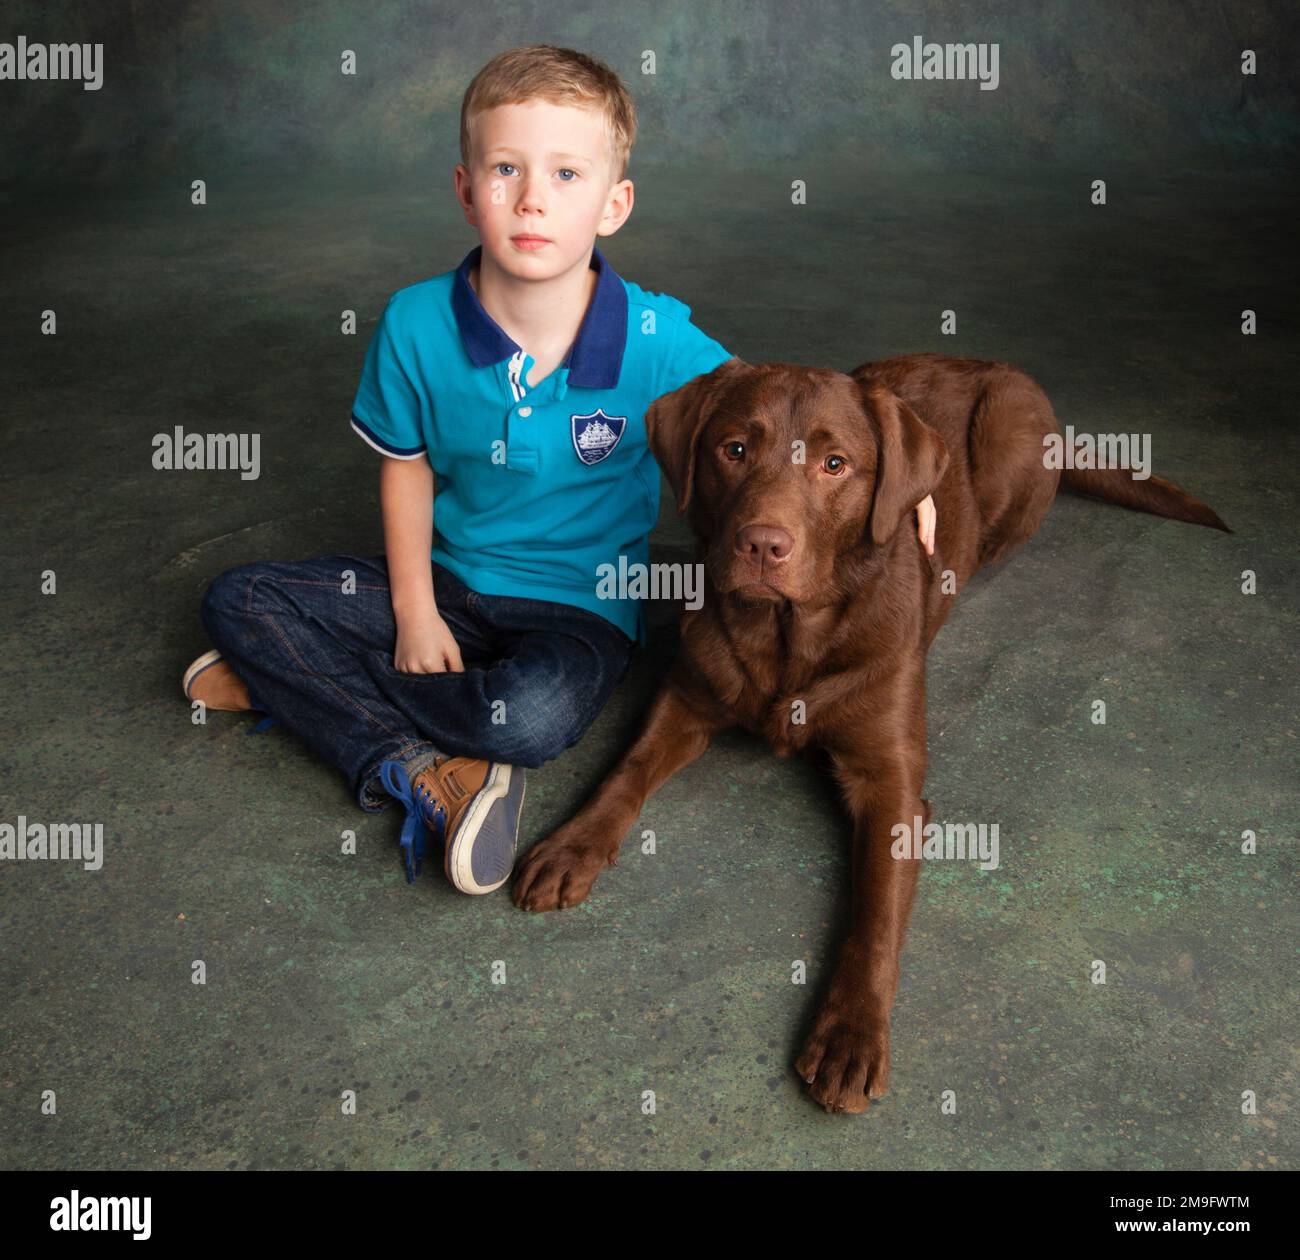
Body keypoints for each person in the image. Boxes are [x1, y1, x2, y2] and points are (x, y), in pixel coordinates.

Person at [184, 44, 937, 896]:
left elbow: (781, 420)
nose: (533, 198)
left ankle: (300, 685)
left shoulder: (657, 341)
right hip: (447, 587)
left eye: (568, 175)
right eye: (506, 168)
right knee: (236, 598)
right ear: (466, 189)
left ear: (614, 204)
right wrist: (413, 610)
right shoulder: (413, 323)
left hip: (581, 609)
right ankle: (417, 758)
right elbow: (406, 470)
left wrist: (908, 488)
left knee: (532, 720)